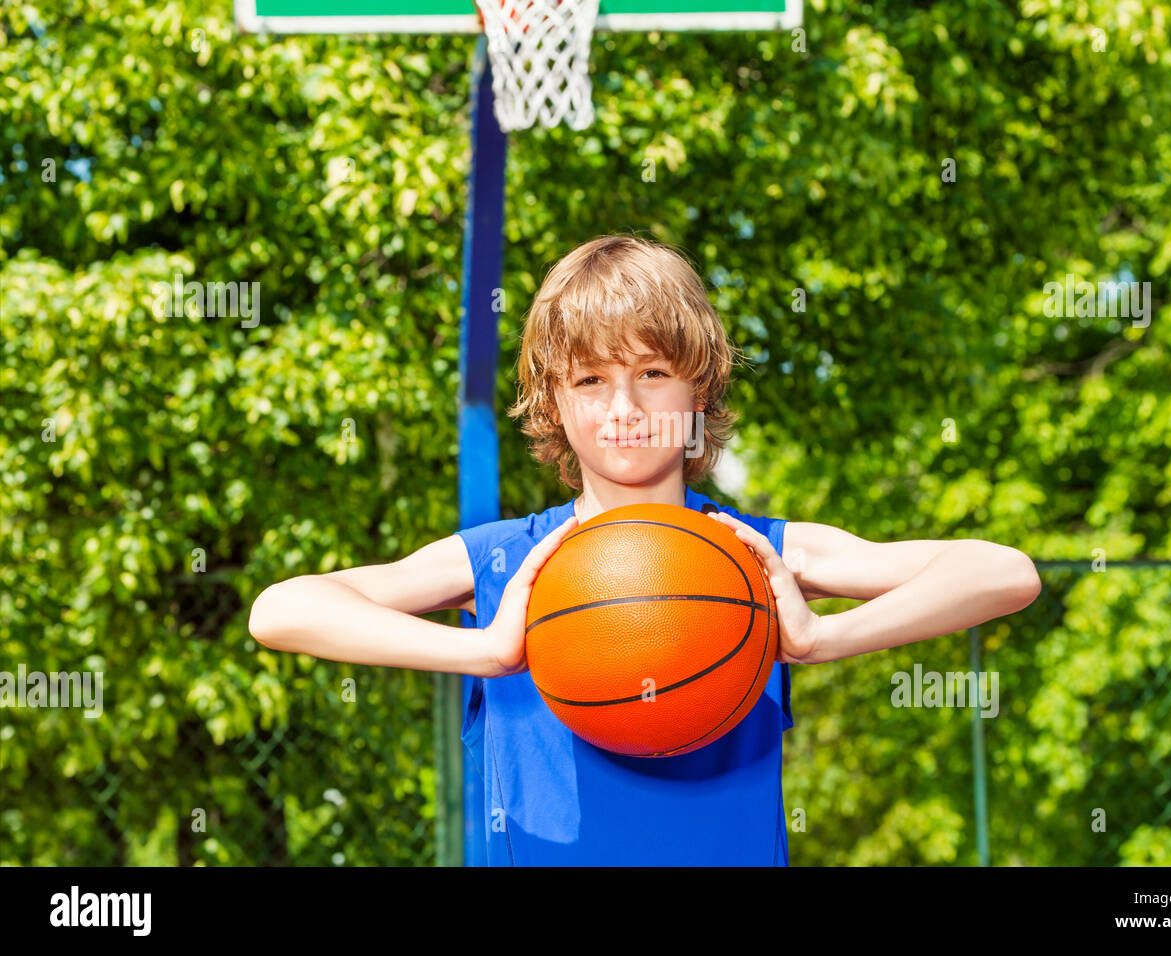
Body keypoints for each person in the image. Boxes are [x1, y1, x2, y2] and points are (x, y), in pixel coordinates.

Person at [249, 234, 1041, 866]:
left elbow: (1005, 572)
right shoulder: (507, 564)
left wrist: (821, 637)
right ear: (554, 403)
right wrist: (488, 651)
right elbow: (281, 610)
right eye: (590, 381)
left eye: (652, 372)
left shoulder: (755, 557)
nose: (622, 408)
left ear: (699, 388)